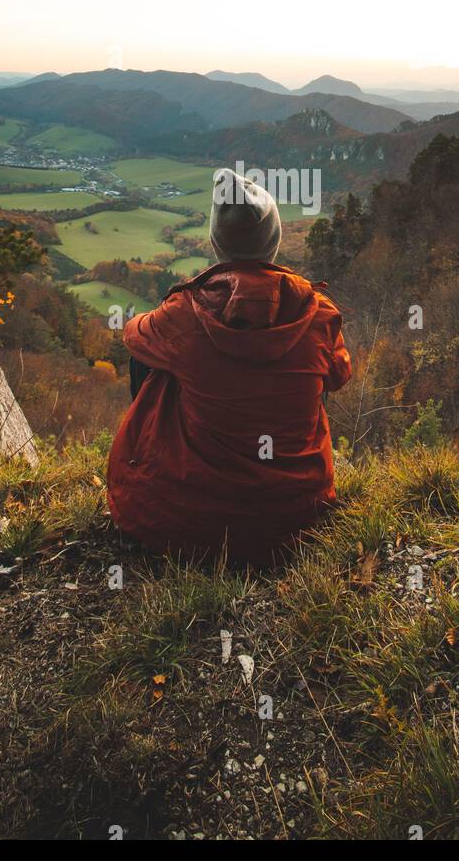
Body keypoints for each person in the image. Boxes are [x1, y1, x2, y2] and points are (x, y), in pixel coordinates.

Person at [107, 167, 352, 564]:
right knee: (313, 373)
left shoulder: (184, 313)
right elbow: (339, 375)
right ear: (273, 241)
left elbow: (133, 337)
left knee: (151, 359)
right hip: (295, 519)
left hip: (185, 525)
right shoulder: (318, 313)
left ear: (216, 242)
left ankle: (158, 463)